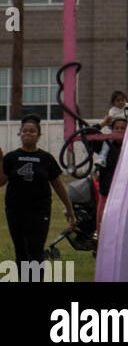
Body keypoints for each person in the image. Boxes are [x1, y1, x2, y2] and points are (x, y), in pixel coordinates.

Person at [0, 115, 76, 277]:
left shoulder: (46, 159)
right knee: (21, 252)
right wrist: (0, 160)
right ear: (20, 134)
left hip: (39, 211)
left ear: (39, 135)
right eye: (25, 131)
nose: (28, 134)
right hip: (15, 210)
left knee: (35, 251)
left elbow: (58, 185)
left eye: (32, 131)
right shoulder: (11, 158)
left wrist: (69, 208)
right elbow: (1, 182)